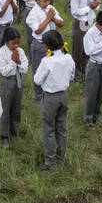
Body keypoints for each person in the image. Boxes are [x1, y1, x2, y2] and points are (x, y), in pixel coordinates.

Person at [33, 30, 75, 171]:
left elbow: (37, 80)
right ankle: (60, 158)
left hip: (50, 97)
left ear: (47, 46)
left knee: (49, 129)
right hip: (63, 96)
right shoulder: (68, 58)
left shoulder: (46, 61)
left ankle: (50, 163)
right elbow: (71, 76)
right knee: (61, 128)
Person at [0, 28, 28, 148]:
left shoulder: (20, 51)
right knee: (5, 108)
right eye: (14, 43)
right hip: (7, 82)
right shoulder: (1, 53)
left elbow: (25, 68)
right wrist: (13, 62)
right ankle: (4, 135)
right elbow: (4, 72)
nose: (16, 45)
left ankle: (15, 131)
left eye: (18, 43)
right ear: (6, 41)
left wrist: (18, 61)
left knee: (16, 107)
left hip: (18, 81)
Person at [81, 10, 102, 126]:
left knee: (101, 92)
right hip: (94, 66)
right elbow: (89, 51)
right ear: (100, 24)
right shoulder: (90, 34)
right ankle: (88, 119)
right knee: (92, 93)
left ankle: (97, 115)